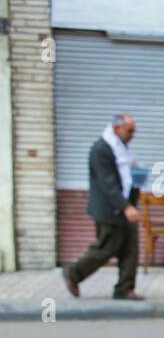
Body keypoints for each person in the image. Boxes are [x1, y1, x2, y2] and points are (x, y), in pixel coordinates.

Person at [62, 113, 144, 301]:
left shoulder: (122, 148)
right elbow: (107, 183)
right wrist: (126, 207)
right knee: (106, 248)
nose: (133, 134)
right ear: (117, 129)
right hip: (110, 210)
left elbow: (124, 175)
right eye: (130, 130)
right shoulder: (101, 149)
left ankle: (124, 288)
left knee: (130, 248)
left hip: (125, 206)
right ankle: (73, 273)